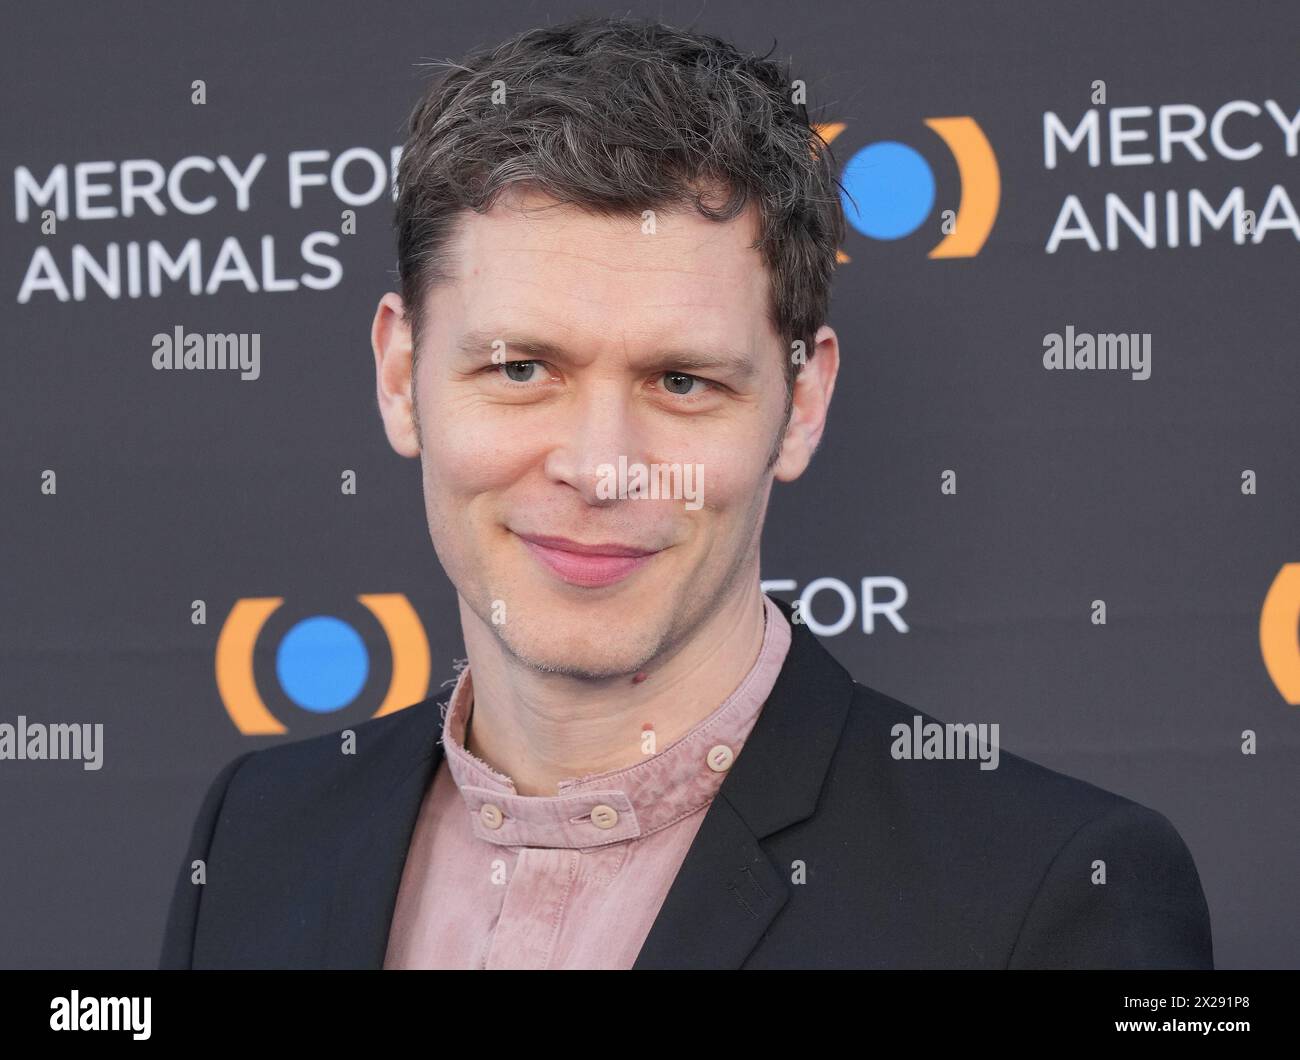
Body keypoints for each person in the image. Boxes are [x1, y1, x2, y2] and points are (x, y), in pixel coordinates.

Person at [160, 15, 1212, 969]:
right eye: (522, 368)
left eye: (681, 381)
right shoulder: (255, 834)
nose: (602, 464)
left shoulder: (1051, 891)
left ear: (800, 404)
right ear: (402, 380)